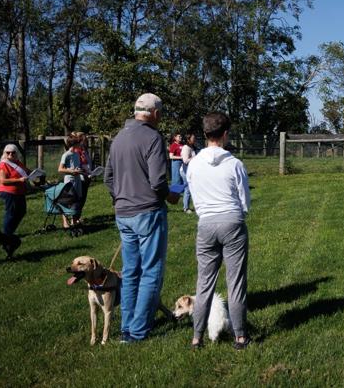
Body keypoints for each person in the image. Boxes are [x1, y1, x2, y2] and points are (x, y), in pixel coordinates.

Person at [104, 93, 179, 343]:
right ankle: (137, 332)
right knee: (150, 272)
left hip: (123, 214)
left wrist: (121, 198)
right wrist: (169, 196)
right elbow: (158, 181)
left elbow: (108, 178)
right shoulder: (152, 137)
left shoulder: (117, 138)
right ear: (155, 114)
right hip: (148, 212)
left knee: (130, 271)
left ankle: (127, 328)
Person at [186, 112, 251, 350]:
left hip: (206, 223)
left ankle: (197, 338)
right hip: (232, 222)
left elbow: (193, 194)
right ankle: (240, 336)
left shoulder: (193, 163)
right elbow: (245, 201)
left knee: (204, 284)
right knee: (235, 283)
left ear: (205, 135)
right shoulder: (235, 164)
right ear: (225, 134)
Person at [0, 143, 32, 236]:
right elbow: (3, 180)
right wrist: (19, 180)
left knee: (21, 212)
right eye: (8, 153)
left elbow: (28, 171)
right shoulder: (3, 164)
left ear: (17, 153)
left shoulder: (18, 163)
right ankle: (6, 235)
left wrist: (37, 172)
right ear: (4, 153)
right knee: (11, 213)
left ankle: (10, 232)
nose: (10, 155)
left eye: (13, 153)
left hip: (20, 191)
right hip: (9, 192)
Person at [58, 133, 85, 230]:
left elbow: (77, 167)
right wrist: (72, 171)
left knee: (77, 200)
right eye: (78, 143)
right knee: (67, 201)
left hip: (77, 180)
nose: (80, 145)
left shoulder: (77, 154)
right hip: (69, 181)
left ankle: (74, 222)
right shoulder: (66, 155)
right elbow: (60, 169)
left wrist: (81, 170)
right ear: (74, 144)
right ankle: (65, 222)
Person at [180, 133, 197, 213]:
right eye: (193, 138)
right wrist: (195, 158)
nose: (194, 139)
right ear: (188, 139)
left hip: (190, 171)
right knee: (188, 189)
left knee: (191, 189)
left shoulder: (192, 147)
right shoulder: (186, 148)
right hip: (185, 171)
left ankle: (190, 206)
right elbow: (185, 161)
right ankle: (185, 208)